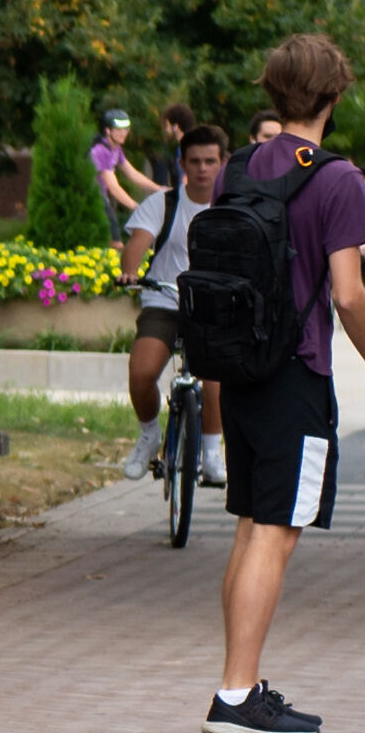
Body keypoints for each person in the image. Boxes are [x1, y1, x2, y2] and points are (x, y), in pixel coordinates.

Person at [199, 34, 365, 733]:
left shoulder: (235, 168)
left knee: (249, 529)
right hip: (296, 373)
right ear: (334, 96)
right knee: (276, 532)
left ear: (272, 92)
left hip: (239, 371)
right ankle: (236, 692)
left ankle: (239, 684)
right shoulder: (337, 179)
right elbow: (350, 295)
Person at [117, 124, 230, 485]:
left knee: (213, 377)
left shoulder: (233, 206)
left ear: (222, 162)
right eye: (194, 161)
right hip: (164, 299)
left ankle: (212, 455)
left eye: (210, 161)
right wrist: (130, 272)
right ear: (182, 162)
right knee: (142, 371)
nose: (202, 169)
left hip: (211, 305)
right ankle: (149, 435)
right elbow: (138, 244)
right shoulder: (162, 203)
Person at [91, 109, 164, 247]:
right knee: (116, 242)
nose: (124, 132)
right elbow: (113, 187)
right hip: (93, 199)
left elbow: (131, 173)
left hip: (102, 198)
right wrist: (136, 207)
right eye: (119, 129)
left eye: (126, 128)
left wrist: (158, 188)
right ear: (107, 130)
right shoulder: (100, 150)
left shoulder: (116, 149)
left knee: (112, 240)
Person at [151, 103, 196, 187]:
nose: (166, 130)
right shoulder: (187, 145)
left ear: (176, 126)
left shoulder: (186, 148)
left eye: (167, 125)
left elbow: (186, 179)